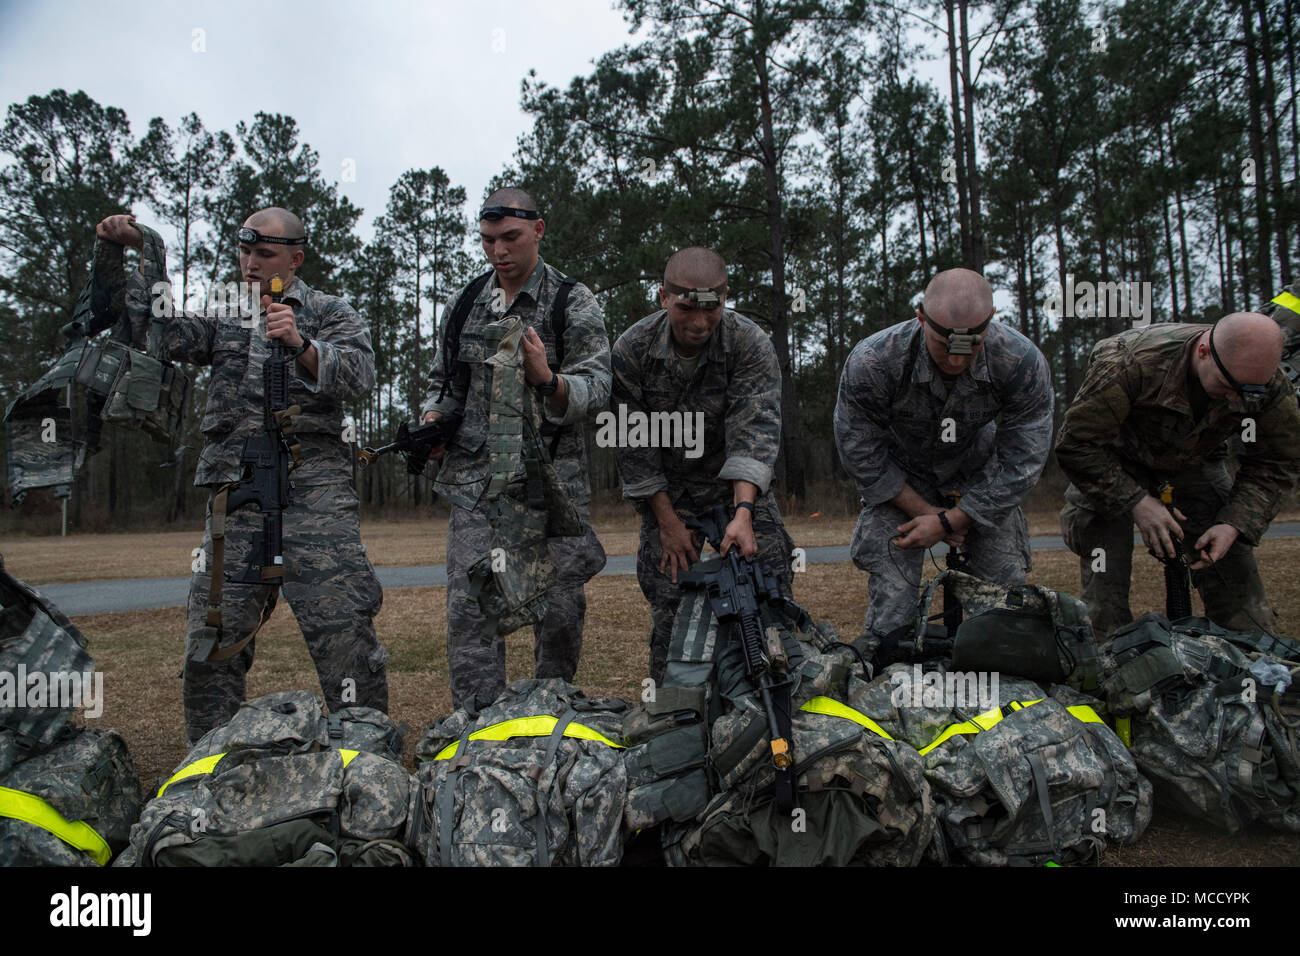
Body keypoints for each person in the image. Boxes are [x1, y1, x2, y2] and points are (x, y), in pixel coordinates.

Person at [95, 209, 386, 745]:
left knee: (343, 629)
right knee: (213, 635)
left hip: (314, 497)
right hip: (238, 498)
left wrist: (303, 345)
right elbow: (158, 332)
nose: (251, 264)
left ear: (295, 259)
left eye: (265, 255)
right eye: (245, 252)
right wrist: (145, 250)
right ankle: (209, 762)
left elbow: (363, 375)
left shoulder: (327, 310)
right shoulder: (227, 315)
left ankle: (366, 756)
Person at [419, 188, 610, 711]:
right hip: (476, 485)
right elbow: (444, 383)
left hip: (550, 486)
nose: (498, 251)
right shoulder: (466, 303)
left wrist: (548, 379)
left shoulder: (573, 301)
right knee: (471, 609)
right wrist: (434, 421)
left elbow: (597, 388)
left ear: (538, 230)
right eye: (487, 240)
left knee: (559, 608)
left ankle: (550, 715)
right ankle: (477, 730)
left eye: (510, 238)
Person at [833, 268, 1054, 654]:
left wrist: (954, 519)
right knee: (892, 616)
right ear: (921, 317)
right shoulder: (875, 361)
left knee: (1009, 610)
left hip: (983, 483)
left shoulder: (1020, 362)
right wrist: (930, 516)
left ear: (991, 319)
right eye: (943, 343)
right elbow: (861, 453)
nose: (956, 358)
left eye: (972, 344)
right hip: (901, 486)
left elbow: (1023, 460)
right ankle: (890, 678)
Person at [611, 247, 794, 683]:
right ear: (663, 297)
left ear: (726, 297)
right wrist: (668, 524)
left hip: (736, 490)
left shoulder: (749, 343)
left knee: (768, 575)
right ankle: (672, 709)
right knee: (669, 594)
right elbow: (634, 450)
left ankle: (774, 689)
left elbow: (755, 432)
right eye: (686, 307)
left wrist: (744, 513)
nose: (698, 322)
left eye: (711, 308)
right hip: (668, 495)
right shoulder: (631, 351)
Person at [1057, 313, 1300, 637]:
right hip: (1111, 466)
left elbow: (1278, 461)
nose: (1236, 400)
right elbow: (1077, 445)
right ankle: (1106, 667)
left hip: (1195, 464)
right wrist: (1137, 502)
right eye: (1229, 387)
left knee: (1236, 577)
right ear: (1203, 352)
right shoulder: (1128, 361)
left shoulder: (1267, 383)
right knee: (1105, 583)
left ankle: (1249, 670)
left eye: (1249, 393)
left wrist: (1234, 524)